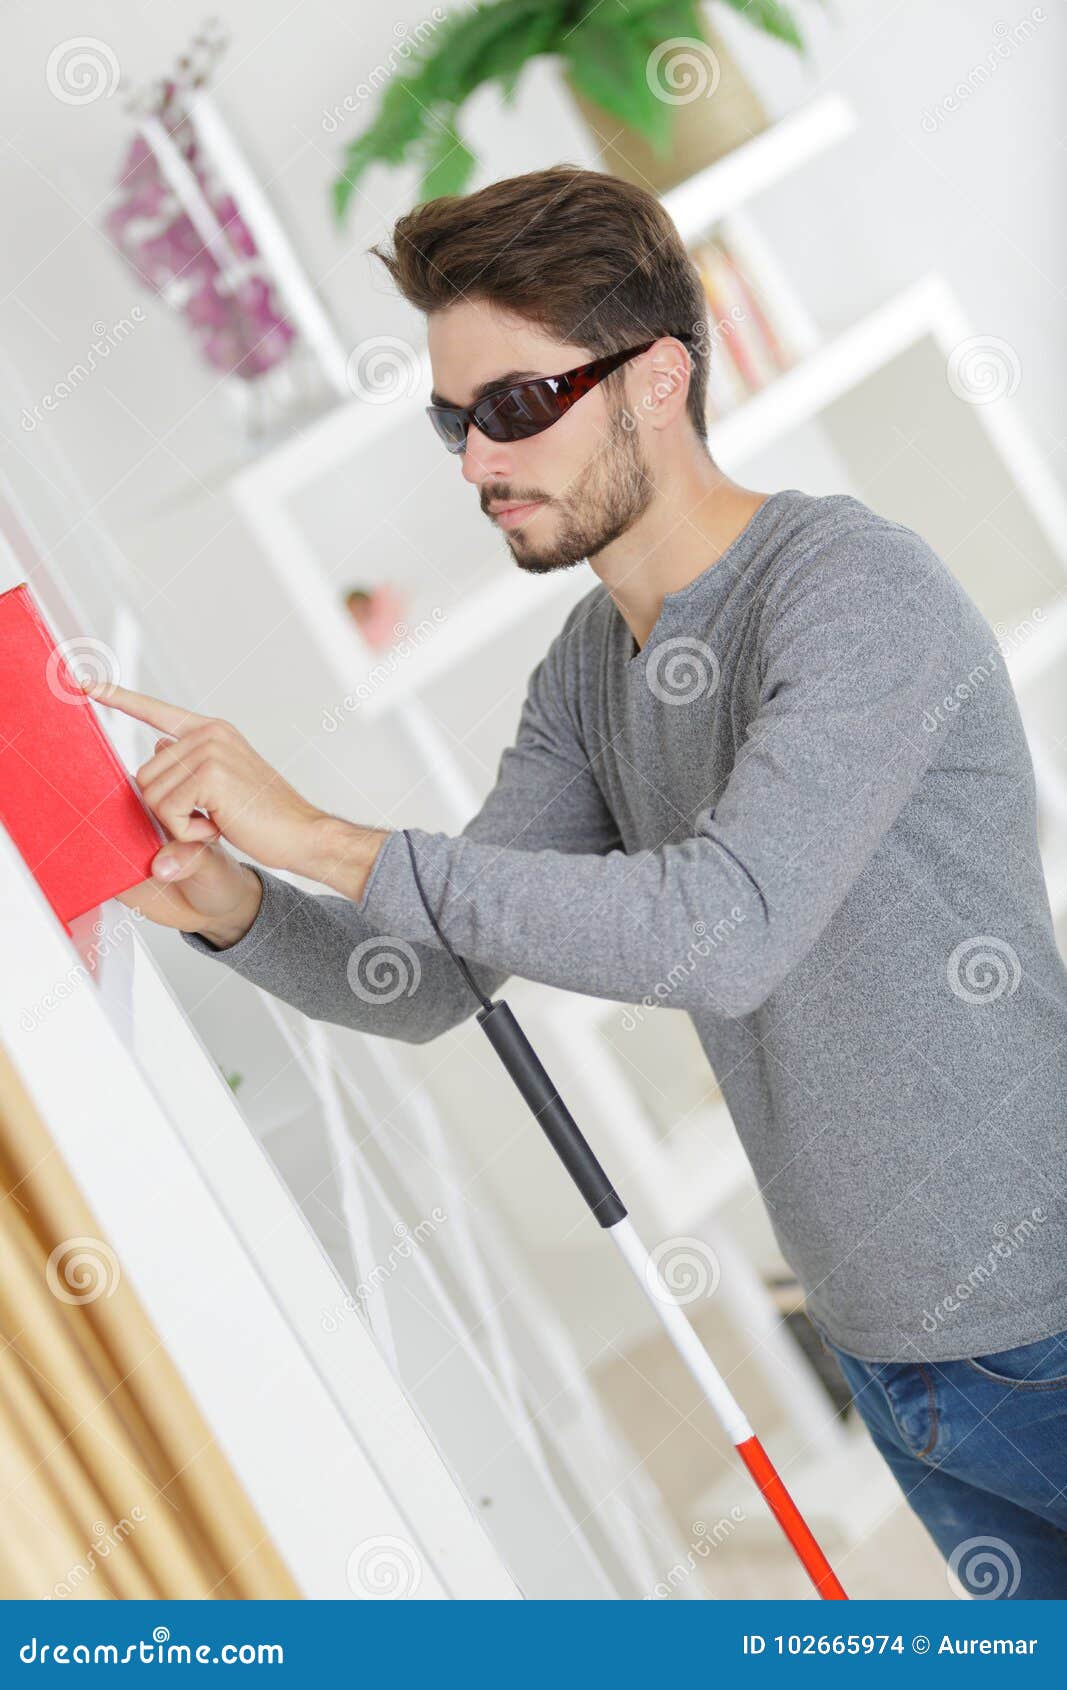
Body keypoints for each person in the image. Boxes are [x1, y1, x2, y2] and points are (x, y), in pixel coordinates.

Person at [87, 165, 1067, 1598]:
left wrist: (315, 834)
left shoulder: (855, 592)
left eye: (516, 406)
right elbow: (427, 976)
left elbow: (723, 929)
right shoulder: (588, 677)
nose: (478, 463)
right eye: (453, 420)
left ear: (658, 380)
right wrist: (232, 904)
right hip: (895, 1351)